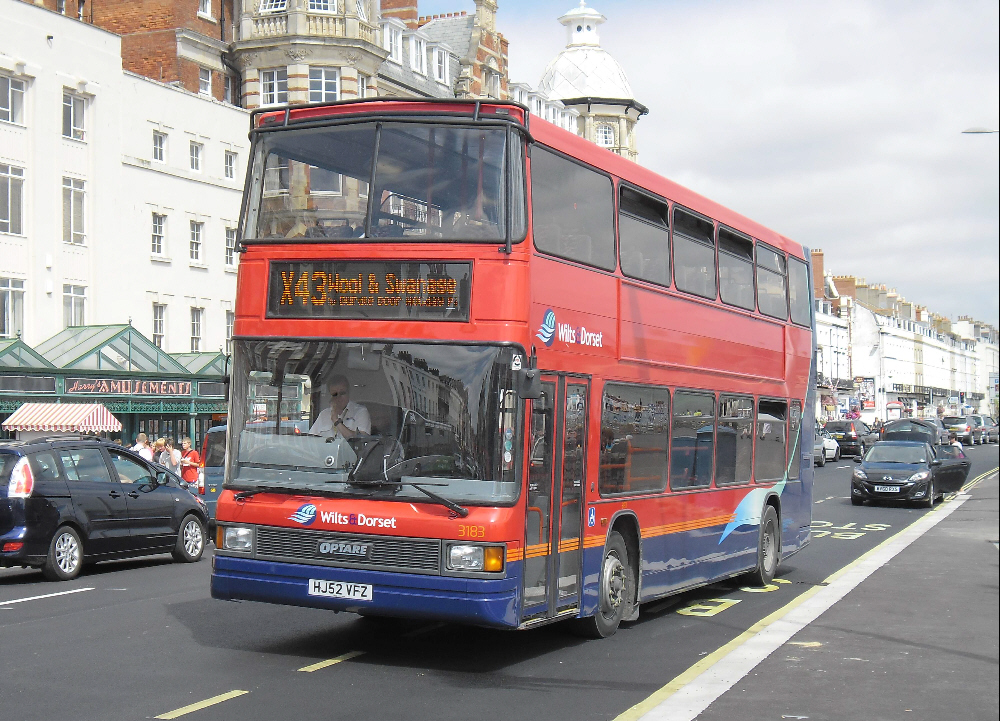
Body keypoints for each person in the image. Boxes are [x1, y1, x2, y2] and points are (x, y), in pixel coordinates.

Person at [309, 374, 371, 439]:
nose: (339, 398)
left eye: (342, 393)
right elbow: (310, 439)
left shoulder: (360, 412)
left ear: (348, 392)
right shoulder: (324, 414)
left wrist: (336, 421)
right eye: (335, 394)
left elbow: (361, 440)